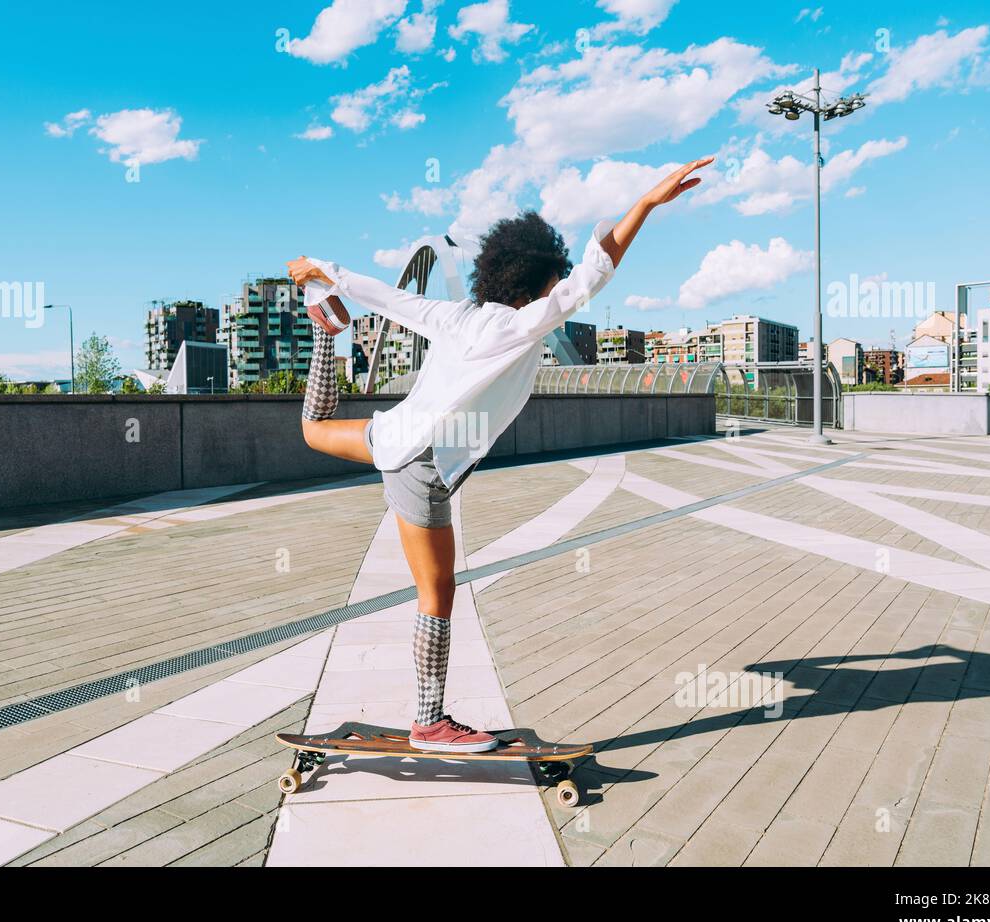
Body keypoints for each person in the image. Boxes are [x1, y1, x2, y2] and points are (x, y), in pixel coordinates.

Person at [287, 156, 714, 754]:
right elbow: (594, 274)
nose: (554, 292)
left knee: (314, 430)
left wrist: (326, 271)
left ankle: (324, 338)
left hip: (389, 438)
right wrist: (644, 203)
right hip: (422, 468)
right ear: (536, 283)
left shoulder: (454, 315)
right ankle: (430, 721)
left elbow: (385, 296)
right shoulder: (521, 326)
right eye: (550, 283)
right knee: (437, 596)